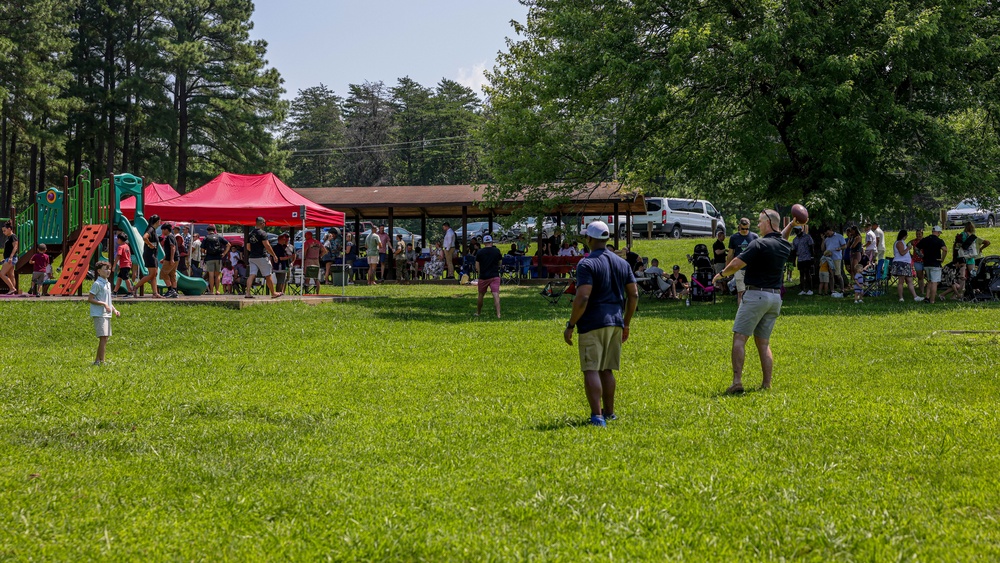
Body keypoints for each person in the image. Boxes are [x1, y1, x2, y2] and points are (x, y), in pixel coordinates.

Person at [713, 209, 800, 394]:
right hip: (775, 299)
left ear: (767, 222)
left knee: (739, 337)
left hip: (756, 296)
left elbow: (736, 263)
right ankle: (766, 385)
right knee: (763, 343)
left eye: (760, 222)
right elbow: (781, 235)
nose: (758, 225)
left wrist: (720, 275)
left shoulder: (758, 244)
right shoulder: (784, 245)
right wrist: (792, 224)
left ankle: (737, 382)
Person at [563, 221, 638, 427]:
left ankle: (596, 416)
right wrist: (627, 322)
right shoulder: (623, 263)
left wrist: (571, 325)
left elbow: (583, 297)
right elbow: (634, 294)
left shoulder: (586, 264)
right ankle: (610, 413)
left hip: (592, 322)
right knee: (607, 369)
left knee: (591, 369)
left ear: (589, 239)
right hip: (616, 321)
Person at [87, 261, 120, 366]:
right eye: (105, 269)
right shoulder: (97, 284)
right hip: (99, 313)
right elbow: (90, 299)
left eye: (109, 269)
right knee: (103, 337)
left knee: (105, 338)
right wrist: (103, 304)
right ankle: (101, 361)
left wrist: (114, 310)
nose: (108, 271)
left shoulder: (108, 283)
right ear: (99, 271)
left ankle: (97, 361)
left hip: (107, 314)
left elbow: (108, 300)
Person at [244, 216, 281, 299]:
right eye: (265, 223)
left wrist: (254, 250)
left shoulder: (250, 234)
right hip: (261, 257)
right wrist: (274, 255)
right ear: (261, 223)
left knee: (252, 275)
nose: (265, 224)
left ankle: (247, 293)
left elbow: (248, 247)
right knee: (268, 275)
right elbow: (267, 245)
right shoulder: (262, 233)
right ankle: (273, 293)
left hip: (252, 257)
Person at [727, 218, 758, 305]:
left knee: (752, 292)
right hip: (739, 268)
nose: (744, 231)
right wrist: (727, 268)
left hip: (751, 268)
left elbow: (758, 253)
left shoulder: (754, 237)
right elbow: (730, 254)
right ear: (739, 226)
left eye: (747, 229)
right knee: (741, 292)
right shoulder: (734, 238)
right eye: (743, 229)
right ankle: (740, 312)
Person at [916, 225, 948, 304]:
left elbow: (916, 248)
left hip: (926, 263)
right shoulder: (939, 240)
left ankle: (927, 297)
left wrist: (921, 255)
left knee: (929, 281)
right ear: (938, 232)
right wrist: (942, 259)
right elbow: (945, 249)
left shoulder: (925, 239)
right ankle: (932, 300)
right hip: (935, 263)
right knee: (934, 282)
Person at [474, 234, 503, 318]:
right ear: (491, 242)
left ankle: (478, 312)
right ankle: (498, 314)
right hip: (494, 276)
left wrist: (480, 273)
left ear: (484, 243)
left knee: (481, 295)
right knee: (496, 294)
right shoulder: (496, 251)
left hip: (483, 276)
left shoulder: (479, 252)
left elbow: (477, 265)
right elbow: (500, 263)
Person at [891, 230, 923, 302]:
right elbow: (902, 253)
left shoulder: (902, 242)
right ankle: (901, 298)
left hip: (906, 263)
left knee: (909, 281)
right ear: (904, 235)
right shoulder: (899, 242)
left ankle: (915, 297)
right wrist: (908, 248)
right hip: (901, 263)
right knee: (901, 281)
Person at [136, 214, 162, 298]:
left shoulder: (152, 229)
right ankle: (134, 287)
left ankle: (155, 293)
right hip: (150, 255)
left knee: (154, 274)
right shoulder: (151, 229)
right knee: (151, 275)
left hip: (152, 254)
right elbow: (144, 237)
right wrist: (150, 245)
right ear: (158, 221)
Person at [202, 225, 231, 295]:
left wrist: (206, 252)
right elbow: (229, 245)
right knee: (217, 275)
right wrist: (224, 253)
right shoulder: (219, 237)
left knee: (211, 275)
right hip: (218, 258)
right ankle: (217, 291)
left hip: (209, 258)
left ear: (208, 231)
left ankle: (211, 291)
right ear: (214, 230)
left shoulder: (206, 238)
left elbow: (202, 250)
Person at [822, 227, 847, 297]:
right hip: (829, 259)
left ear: (831, 230)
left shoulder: (839, 236)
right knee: (831, 275)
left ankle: (842, 289)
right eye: (826, 234)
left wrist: (840, 248)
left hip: (837, 258)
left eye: (828, 233)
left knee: (838, 274)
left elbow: (845, 245)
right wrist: (823, 240)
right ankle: (832, 290)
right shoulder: (826, 239)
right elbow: (823, 249)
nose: (827, 234)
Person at [159, 224, 179, 298]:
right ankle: (174, 291)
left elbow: (172, 248)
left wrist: (171, 259)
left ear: (166, 230)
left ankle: (170, 290)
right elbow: (168, 250)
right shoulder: (172, 236)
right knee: (172, 275)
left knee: (163, 273)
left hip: (171, 259)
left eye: (163, 230)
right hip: (175, 258)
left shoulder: (169, 237)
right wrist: (164, 258)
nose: (162, 231)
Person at [111, 234, 135, 298]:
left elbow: (118, 256)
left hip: (124, 265)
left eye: (117, 239)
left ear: (119, 239)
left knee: (126, 279)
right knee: (119, 278)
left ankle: (130, 292)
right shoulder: (127, 246)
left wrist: (114, 265)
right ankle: (115, 292)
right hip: (127, 264)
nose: (117, 241)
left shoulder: (120, 247)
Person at [794, 226, 815, 295]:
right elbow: (794, 250)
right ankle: (802, 289)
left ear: (800, 230)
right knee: (801, 274)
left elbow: (811, 247)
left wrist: (812, 257)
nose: (796, 231)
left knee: (808, 273)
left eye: (797, 230)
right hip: (800, 258)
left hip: (807, 258)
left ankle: (810, 289)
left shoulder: (807, 237)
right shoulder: (795, 239)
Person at [1, 221, 20, 295]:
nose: (3, 232)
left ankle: (12, 288)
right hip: (8, 258)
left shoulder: (13, 236)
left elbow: (15, 247)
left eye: (4, 230)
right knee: (11, 275)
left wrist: (11, 257)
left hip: (11, 258)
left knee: (2, 274)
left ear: (9, 229)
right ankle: (12, 291)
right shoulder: (9, 237)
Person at [910, 229, 926, 295]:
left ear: (922, 234)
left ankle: (929, 290)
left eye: (919, 234)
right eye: (917, 234)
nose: (918, 235)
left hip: (925, 260)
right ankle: (922, 291)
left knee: (929, 276)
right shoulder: (913, 241)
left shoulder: (925, 241)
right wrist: (910, 255)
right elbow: (906, 245)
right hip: (917, 261)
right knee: (920, 277)